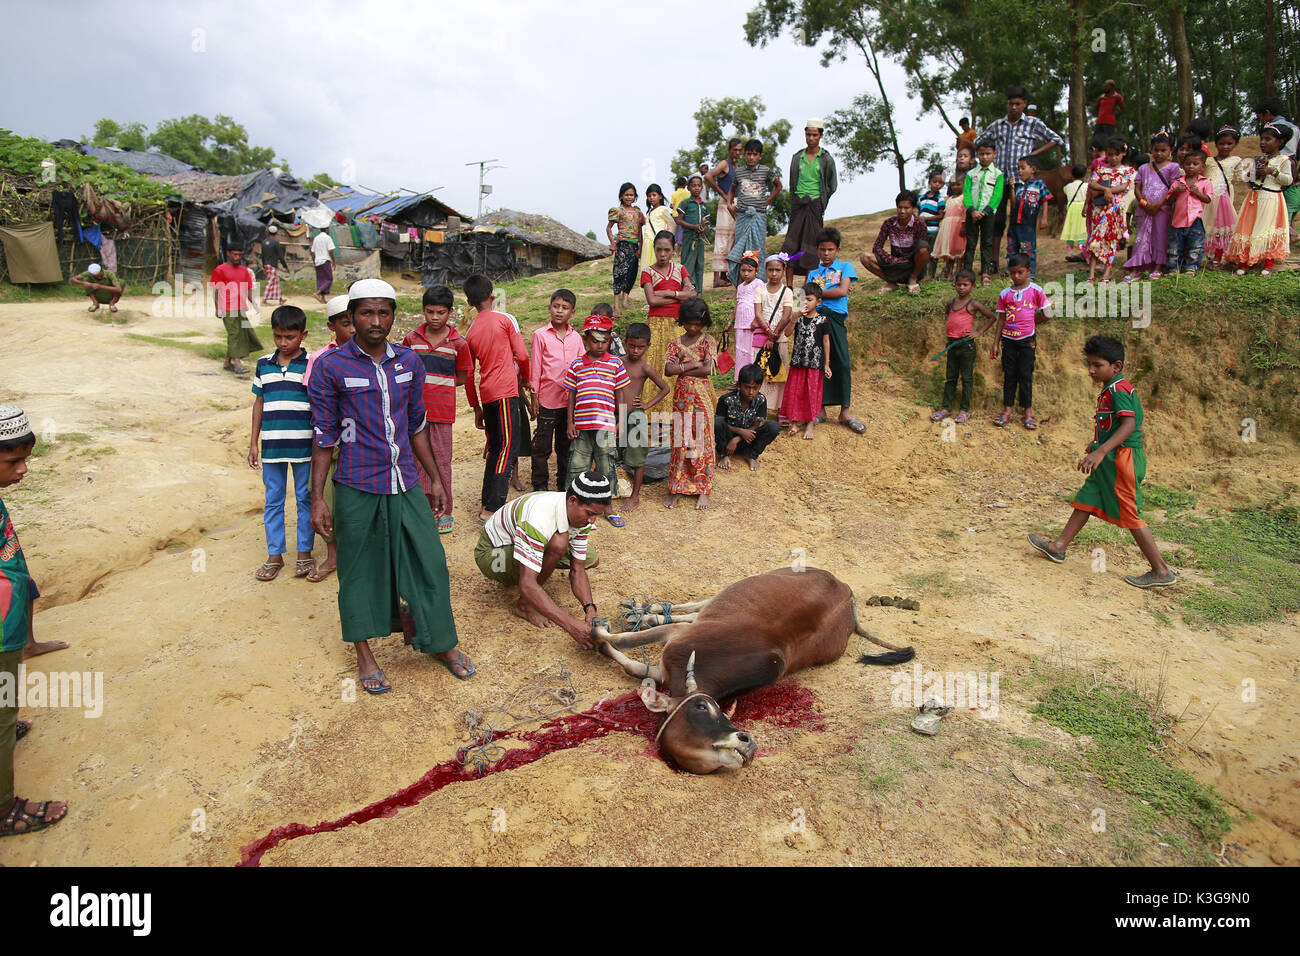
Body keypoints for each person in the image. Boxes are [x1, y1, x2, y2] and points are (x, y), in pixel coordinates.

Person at [308, 279, 471, 692]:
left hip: (404, 482)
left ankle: (440, 642)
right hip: (357, 484)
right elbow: (324, 437)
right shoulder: (332, 367)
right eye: (366, 313)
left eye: (384, 312)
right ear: (352, 317)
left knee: (430, 561)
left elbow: (417, 426)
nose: (375, 321)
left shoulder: (408, 362)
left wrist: (433, 477)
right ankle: (365, 654)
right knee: (358, 571)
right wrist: (316, 500)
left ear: (394, 315)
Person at [1028, 335, 1175, 590]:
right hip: (1109, 457)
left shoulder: (1119, 390)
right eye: (1089, 364)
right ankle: (1058, 547)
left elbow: (1129, 425)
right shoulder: (1110, 388)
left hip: (1122, 460)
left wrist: (1101, 451)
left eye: (1097, 365)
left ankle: (1161, 570)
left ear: (1116, 366)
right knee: (1087, 497)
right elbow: (1115, 425)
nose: (1091, 370)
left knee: (1130, 512)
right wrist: (1096, 446)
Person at [0, 405, 69, 836]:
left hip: (9, 623)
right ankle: (5, 810)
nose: (24, 470)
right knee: (3, 711)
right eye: (13, 461)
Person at [475, 473, 610, 647]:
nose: (592, 521)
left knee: (590, 559)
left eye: (596, 515)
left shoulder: (580, 518)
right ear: (573, 501)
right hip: (493, 556)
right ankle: (524, 605)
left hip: (516, 544)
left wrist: (590, 609)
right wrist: (571, 626)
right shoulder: (540, 517)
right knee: (558, 543)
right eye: (590, 514)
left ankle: (532, 575)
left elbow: (578, 569)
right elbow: (527, 584)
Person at [248, 305, 315, 581]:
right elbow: (259, 403)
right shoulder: (264, 363)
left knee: (305, 498)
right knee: (273, 500)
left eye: (289, 337)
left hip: (304, 445)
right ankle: (274, 555)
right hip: (272, 446)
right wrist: (253, 442)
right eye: (278, 337)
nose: (283, 343)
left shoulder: (313, 363)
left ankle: (304, 553)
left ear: (303, 335)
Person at [403, 285, 472, 534]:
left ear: (450, 313)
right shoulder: (411, 339)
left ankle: (445, 510)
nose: (434, 317)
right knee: (418, 461)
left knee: (441, 461)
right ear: (423, 310)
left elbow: (462, 376)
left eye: (440, 312)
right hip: (415, 413)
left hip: (442, 413)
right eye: (430, 311)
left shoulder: (458, 343)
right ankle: (424, 509)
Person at [973, 85, 1065, 268]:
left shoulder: (1032, 124)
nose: (1013, 107)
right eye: (1010, 104)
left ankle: (1022, 262)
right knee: (996, 220)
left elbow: (1057, 140)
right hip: (999, 180)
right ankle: (993, 261)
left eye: (1017, 104)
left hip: (1023, 183)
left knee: (1021, 221)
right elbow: (977, 142)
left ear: (1024, 104)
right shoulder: (998, 125)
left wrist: (1034, 153)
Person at [462, 274, 531, 520]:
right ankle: (493, 508)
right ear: (492, 295)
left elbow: (469, 375)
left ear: (469, 302)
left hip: (487, 394)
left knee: (494, 449)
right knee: (507, 450)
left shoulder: (469, 333)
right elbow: (522, 355)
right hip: (505, 392)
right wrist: (527, 378)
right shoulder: (505, 319)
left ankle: (486, 505)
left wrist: (476, 407)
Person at [302, 293, 353, 582]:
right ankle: (333, 555)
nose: (353, 329)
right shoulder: (320, 359)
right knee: (327, 501)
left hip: (358, 440)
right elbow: (316, 400)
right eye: (345, 324)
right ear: (332, 326)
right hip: (329, 440)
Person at [565, 314, 630, 526]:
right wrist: (570, 422)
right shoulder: (577, 365)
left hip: (606, 426)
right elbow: (571, 395)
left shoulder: (615, 364)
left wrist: (620, 421)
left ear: (610, 340)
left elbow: (620, 393)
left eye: (604, 341)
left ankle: (608, 507)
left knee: (606, 465)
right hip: (581, 427)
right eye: (595, 340)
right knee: (577, 465)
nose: (600, 345)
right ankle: (572, 508)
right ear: (586, 340)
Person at [806, 227, 862, 433]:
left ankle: (845, 411)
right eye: (822, 249)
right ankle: (820, 410)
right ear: (817, 250)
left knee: (843, 362)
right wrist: (827, 293)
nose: (826, 253)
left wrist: (818, 293)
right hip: (816, 320)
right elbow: (808, 296)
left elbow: (842, 291)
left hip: (836, 321)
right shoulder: (813, 272)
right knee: (818, 362)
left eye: (830, 249)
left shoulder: (846, 267)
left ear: (837, 250)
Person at [664, 296, 717, 509]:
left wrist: (683, 366)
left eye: (698, 324)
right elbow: (668, 370)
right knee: (681, 438)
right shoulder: (674, 343)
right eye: (689, 323)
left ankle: (703, 487)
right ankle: (676, 487)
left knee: (701, 439)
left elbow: (707, 369)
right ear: (682, 321)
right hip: (682, 396)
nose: (693, 327)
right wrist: (694, 363)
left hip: (702, 396)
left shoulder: (708, 341)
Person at [528, 289, 583, 494]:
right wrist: (535, 396)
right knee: (541, 446)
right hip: (547, 400)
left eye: (565, 308)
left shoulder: (576, 338)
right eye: (556, 306)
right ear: (550, 308)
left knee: (565, 446)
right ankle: (540, 486)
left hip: (569, 403)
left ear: (572, 312)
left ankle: (563, 485)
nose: (560, 311)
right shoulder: (540, 335)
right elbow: (536, 367)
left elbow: (581, 367)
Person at [990, 253, 1050, 430]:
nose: (1016, 276)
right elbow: (1001, 319)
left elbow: (1047, 315)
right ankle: (1007, 410)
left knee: (1025, 375)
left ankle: (1028, 412)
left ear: (1028, 271)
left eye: (1020, 272)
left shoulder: (1036, 291)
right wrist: (995, 342)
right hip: (1008, 340)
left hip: (1027, 340)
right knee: (1009, 375)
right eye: (1013, 273)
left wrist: (1032, 323)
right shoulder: (1005, 294)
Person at [929, 270, 997, 425]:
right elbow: (949, 315)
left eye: (965, 285)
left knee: (966, 378)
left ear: (972, 286)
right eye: (958, 284)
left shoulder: (973, 304)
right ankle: (946, 408)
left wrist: (978, 332)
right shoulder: (951, 303)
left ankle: (964, 411)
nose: (961, 287)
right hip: (952, 345)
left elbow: (992, 317)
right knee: (950, 378)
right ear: (955, 285)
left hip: (966, 345)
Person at [1227, 122, 1295, 276]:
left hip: (1271, 199)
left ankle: (1268, 264)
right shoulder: (1258, 159)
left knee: (1267, 230)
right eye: (1261, 139)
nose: (1263, 143)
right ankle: (1243, 262)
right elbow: (1248, 181)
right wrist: (1252, 173)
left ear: (1280, 141)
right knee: (1248, 228)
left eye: (1268, 139)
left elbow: (1288, 180)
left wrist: (1273, 172)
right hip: (1254, 198)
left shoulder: (1284, 160)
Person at [781, 118, 839, 283]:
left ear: (820, 136)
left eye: (814, 135)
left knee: (812, 245)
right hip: (798, 204)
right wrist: (796, 200)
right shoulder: (797, 157)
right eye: (808, 135)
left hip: (815, 205)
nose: (811, 138)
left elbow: (832, 185)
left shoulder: (826, 159)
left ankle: (808, 285)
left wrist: (820, 201)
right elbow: (793, 182)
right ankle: (789, 285)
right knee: (791, 243)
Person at [619, 322, 669, 513]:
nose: (635, 350)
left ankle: (635, 497)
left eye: (640, 347)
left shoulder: (644, 368)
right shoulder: (617, 362)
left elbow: (665, 388)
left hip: (635, 416)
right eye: (632, 345)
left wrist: (647, 405)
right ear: (626, 342)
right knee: (608, 451)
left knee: (638, 457)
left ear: (648, 346)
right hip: (616, 414)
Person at [775, 283, 832, 440]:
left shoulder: (823, 320)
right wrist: (794, 318)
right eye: (803, 299)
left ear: (818, 302)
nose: (805, 303)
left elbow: (826, 342)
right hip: (797, 362)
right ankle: (794, 422)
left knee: (812, 393)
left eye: (809, 299)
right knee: (796, 391)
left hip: (815, 364)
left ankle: (810, 424)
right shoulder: (797, 319)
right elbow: (786, 334)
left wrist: (827, 363)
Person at [640, 230, 696, 385]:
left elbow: (692, 294)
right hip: (655, 325)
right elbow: (652, 300)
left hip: (678, 323)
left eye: (667, 250)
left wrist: (667, 292)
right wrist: (679, 297)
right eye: (659, 249)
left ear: (673, 250)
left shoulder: (680, 269)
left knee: (679, 360)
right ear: (654, 249)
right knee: (656, 362)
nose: (662, 254)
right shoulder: (647, 272)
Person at [725, 139, 782, 285]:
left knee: (758, 249)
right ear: (745, 154)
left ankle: (758, 284)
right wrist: (729, 204)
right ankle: (739, 286)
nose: (751, 157)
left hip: (758, 216)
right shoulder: (739, 172)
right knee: (740, 250)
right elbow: (731, 190)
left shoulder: (765, 171)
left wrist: (767, 201)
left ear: (760, 156)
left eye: (755, 154)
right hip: (743, 215)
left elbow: (778, 186)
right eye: (749, 154)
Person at [1124, 132, 1179, 280]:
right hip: (1144, 209)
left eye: (1163, 150)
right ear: (1151, 150)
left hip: (1162, 209)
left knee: (1160, 236)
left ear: (1170, 150)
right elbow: (1137, 188)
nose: (1159, 153)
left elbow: (1172, 188)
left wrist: (1158, 205)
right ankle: (1137, 268)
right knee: (1141, 237)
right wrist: (1143, 202)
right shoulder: (1143, 168)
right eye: (1156, 150)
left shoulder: (1174, 167)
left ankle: (1158, 267)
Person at [1085, 137, 1136, 283]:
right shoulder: (1100, 169)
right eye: (1109, 154)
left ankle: (1107, 273)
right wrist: (1106, 189)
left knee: (1111, 240)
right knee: (1096, 239)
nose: (1113, 157)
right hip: (1099, 209)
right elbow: (1092, 183)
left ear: (1123, 153)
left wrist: (1108, 190)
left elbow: (1124, 186)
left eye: (1116, 154)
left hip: (1115, 210)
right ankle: (1092, 275)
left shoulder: (1128, 170)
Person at [861, 190, 931, 294]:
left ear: (913, 208)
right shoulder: (889, 223)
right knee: (865, 257)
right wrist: (891, 259)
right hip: (894, 265)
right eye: (899, 207)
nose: (902, 211)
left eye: (906, 208)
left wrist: (906, 262)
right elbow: (877, 247)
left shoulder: (919, 223)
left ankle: (913, 279)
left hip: (911, 266)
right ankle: (891, 283)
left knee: (924, 248)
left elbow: (920, 248)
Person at [716, 364, 781, 471]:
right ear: (739, 385)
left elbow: (756, 425)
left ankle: (751, 455)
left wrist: (737, 439)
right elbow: (719, 422)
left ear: (760, 387)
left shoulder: (761, 400)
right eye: (747, 387)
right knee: (718, 422)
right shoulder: (726, 400)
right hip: (727, 439)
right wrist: (739, 431)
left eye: (755, 388)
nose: (751, 392)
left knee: (773, 427)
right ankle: (724, 454)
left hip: (748, 439)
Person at [1253, 96, 1299, 243]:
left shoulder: (1275, 129)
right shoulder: (1295, 128)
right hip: (1291, 167)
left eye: (1260, 117)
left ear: (1267, 113)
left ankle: (1286, 237)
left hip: (1278, 171)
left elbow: (1285, 154)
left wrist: (1270, 168)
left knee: (1280, 208)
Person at [211, 245, 262, 375]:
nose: (237, 257)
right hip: (227, 308)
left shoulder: (244, 271)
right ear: (228, 253)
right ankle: (237, 363)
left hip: (241, 307)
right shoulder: (220, 270)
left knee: (242, 333)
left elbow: (248, 290)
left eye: (239, 255)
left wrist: (254, 304)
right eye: (234, 254)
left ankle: (227, 362)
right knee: (234, 334)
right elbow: (215, 291)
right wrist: (218, 309)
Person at [756, 254, 795, 419]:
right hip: (762, 338)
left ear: (783, 271)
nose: (773, 273)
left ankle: (780, 409)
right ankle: (761, 408)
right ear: (765, 271)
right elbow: (758, 313)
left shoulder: (787, 292)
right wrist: (767, 332)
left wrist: (773, 337)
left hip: (779, 339)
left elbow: (786, 315)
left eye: (777, 270)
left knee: (780, 371)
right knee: (762, 373)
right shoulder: (760, 290)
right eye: (770, 269)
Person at [1165, 150, 1214, 275]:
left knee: (1195, 245)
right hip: (1178, 221)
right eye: (1187, 164)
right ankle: (1173, 268)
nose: (1191, 166)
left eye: (1195, 164)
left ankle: (1191, 268)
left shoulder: (1205, 182)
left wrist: (1197, 193)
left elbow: (1208, 199)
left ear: (1202, 167)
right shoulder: (1177, 182)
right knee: (1175, 246)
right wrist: (1176, 192)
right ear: (1182, 166)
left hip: (1195, 221)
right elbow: (1169, 200)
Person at [961, 143, 1005, 282]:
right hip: (972, 213)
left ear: (994, 154)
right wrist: (972, 210)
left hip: (988, 214)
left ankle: (986, 272)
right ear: (977, 155)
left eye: (988, 154)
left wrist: (986, 211)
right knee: (971, 242)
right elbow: (966, 194)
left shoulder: (998, 174)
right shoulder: (971, 174)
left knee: (987, 243)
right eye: (982, 154)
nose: (985, 157)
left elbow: (997, 196)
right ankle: (967, 272)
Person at [704, 139, 744, 288]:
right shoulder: (724, 164)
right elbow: (708, 176)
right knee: (722, 239)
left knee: (733, 238)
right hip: (726, 204)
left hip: (737, 203)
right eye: (735, 149)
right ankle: (716, 278)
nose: (737, 153)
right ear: (730, 150)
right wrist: (724, 195)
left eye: (740, 150)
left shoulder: (738, 167)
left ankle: (725, 275)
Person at [1204, 126, 1244, 268]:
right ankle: (1206, 254)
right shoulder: (1208, 161)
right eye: (1222, 143)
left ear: (1235, 144)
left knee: (1221, 226)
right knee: (1207, 224)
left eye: (1229, 143)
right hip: (1207, 197)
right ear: (1216, 144)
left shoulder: (1236, 160)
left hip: (1223, 197)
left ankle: (1218, 256)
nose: (1225, 146)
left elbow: (1240, 178)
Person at [1007, 156, 1053, 278]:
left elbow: (1045, 200)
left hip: (1027, 224)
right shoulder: (1020, 187)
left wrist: (1044, 218)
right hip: (1014, 223)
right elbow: (1013, 203)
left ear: (1033, 169)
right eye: (1018, 169)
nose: (1019, 171)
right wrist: (1012, 188)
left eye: (1023, 168)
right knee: (1012, 248)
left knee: (1028, 249)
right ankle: (1011, 270)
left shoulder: (1039, 184)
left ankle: (1030, 273)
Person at [606, 183, 645, 318]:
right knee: (619, 274)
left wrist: (641, 247)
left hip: (634, 247)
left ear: (635, 197)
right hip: (622, 245)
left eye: (632, 195)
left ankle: (625, 302)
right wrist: (613, 243)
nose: (629, 197)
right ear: (622, 196)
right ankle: (616, 306)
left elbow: (640, 231)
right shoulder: (617, 211)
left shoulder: (638, 212)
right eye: (626, 195)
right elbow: (609, 228)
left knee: (631, 274)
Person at [674, 175, 710, 295]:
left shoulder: (704, 205)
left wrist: (703, 228)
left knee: (699, 263)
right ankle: (687, 289)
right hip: (689, 236)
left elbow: (707, 223)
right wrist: (693, 227)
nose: (696, 188)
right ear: (688, 188)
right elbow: (679, 220)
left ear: (702, 188)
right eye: (693, 185)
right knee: (687, 262)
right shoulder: (685, 203)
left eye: (699, 185)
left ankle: (699, 291)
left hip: (699, 239)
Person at [731, 256, 765, 374]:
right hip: (740, 322)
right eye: (743, 270)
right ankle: (740, 377)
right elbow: (737, 303)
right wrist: (731, 321)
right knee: (740, 350)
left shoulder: (759, 283)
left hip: (751, 323)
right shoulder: (740, 287)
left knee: (751, 350)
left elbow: (760, 303)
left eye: (749, 271)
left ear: (757, 271)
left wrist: (756, 320)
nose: (746, 274)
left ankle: (752, 376)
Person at [638, 183, 676, 276]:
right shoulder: (649, 212)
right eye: (649, 196)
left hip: (657, 243)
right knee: (647, 270)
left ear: (660, 196)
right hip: (647, 244)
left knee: (658, 270)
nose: (651, 198)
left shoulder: (663, 209)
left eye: (654, 195)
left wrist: (666, 240)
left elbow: (672, 225)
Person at [933, 181, 967, 280]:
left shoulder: (964, 197)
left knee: (958, 250)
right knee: (948, 250)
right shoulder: (948, 199)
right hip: (947, 227)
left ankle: (959, 271)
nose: (955, 187)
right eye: (953, 185)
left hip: (957, 226)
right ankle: (949, 271)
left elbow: (965, 212)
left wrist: (964, 225)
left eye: (958, 184)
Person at [917, 170, 946, 279]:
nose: (937, 184)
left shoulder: (940, 199)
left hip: (933, 231)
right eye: (935, 182)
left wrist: (926, 219)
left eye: (940, 183)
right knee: (922, 253)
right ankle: (922, 274)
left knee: (932, 253)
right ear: (929, 182)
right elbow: (918, 213)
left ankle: (930, 275)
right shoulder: (921, 198)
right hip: (922, 231)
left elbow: (941, 216)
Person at [1059, 163, 1089, 257]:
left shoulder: (1067, 187)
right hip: (1082, 208)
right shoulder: (1087, 186)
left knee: (1071, 226)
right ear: (1084, 175)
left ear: (1072, 175)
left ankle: (1070, 244)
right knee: (1082, 226)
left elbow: (1065, 191)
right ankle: (1081, 243)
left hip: (1071, 208)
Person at [260, 225, 288, 305]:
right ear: (276, 233)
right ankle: (264, 300)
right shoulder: (276, 243)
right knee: (270, 281)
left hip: (266, 264)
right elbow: (281, 257)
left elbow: (262, 255)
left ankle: (280, 299)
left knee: (276, 282)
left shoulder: (264, 242)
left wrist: (263, 265)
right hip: (273, 265)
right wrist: (285, 266)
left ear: (268, 232)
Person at [310, 228, 336, 303]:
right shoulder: (328, 238)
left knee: (321, 280)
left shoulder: (316, 238)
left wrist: (314, 262)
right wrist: (334, 261)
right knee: (329, 279)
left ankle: (323, 299)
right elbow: (330, 250)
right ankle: (317, 293)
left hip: (318, 261)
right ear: (327, 229)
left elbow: (312, 252)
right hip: (325, 260)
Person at [669, 176, 689, 245]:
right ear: (686, 184)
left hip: (675, 215)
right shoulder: (688, 194)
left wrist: (675, 207)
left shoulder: (674, 194)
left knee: (674, 231)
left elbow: (671, 205)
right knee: (681, 232)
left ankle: (673, 247)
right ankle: (679, 249)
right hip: (684, 215)